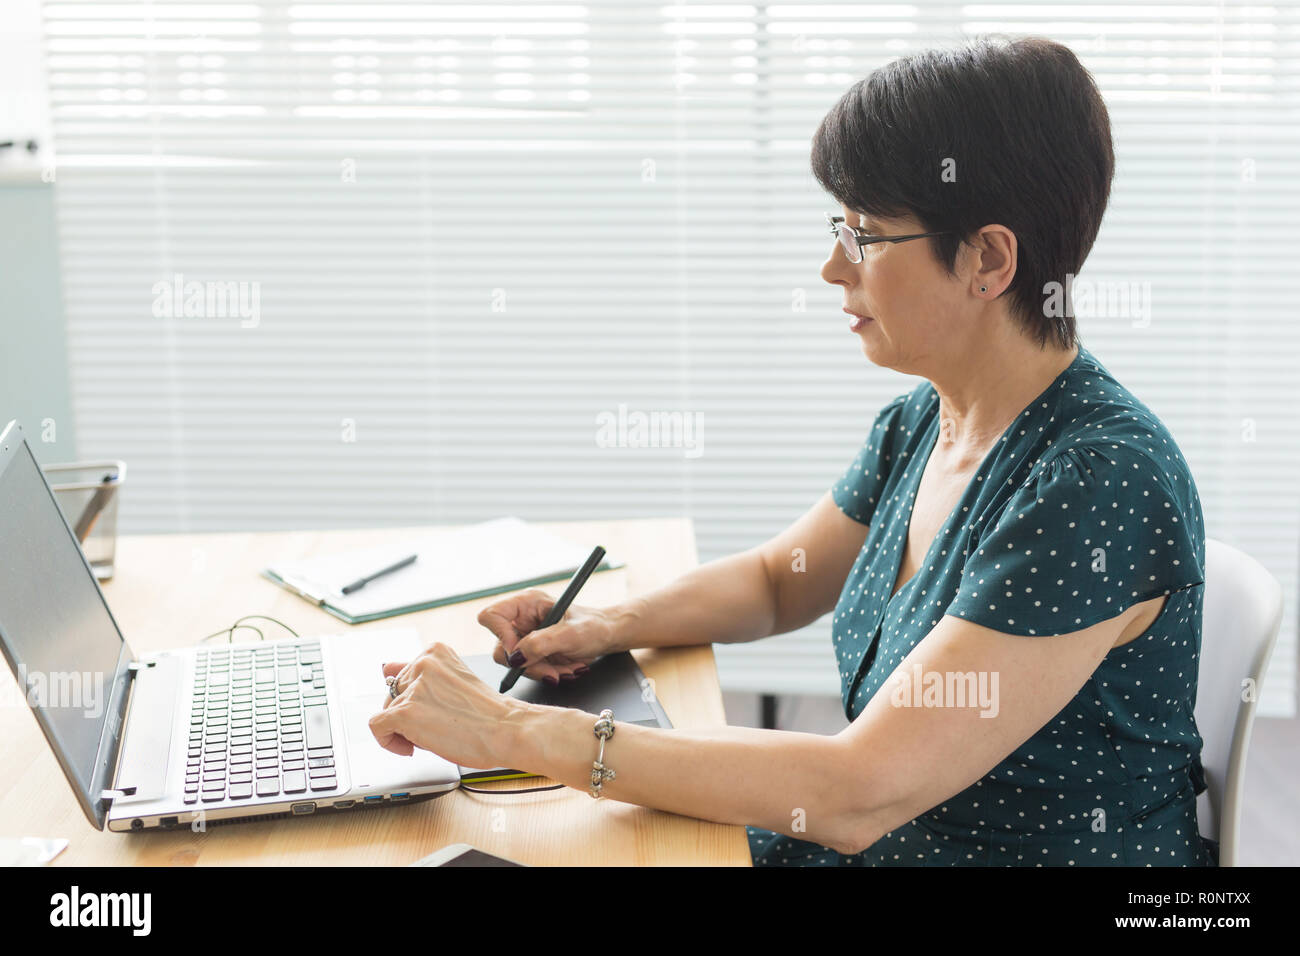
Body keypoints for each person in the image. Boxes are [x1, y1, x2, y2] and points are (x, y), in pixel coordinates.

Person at [370, 35, 1217, 866]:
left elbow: (859, 789)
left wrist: (508, 729)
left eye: (866, 235)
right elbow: (780, 582)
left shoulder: (1099, 482)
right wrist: (600, 626)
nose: (830, 268)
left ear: (989, 260)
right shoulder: (924, 422)